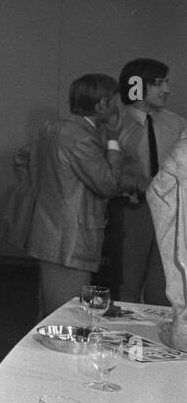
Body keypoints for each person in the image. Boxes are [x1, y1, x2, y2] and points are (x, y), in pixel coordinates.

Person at [9, 74, 134, 318]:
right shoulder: (83, 139)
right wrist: (114, 143)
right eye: (115, 102)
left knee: (51, 310)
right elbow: (108, 185)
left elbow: (21, 160)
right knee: (67, 312)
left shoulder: (52, 129)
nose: (118, 108)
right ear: (102, 105)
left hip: (49, 233)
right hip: (71, 239)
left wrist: (43, 196)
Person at [109, 58, 187, 306]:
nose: (166, 89)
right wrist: (138, 183)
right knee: (126, 284)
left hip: (171, 215)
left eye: (166, 82)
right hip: (132, 211)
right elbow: (105, 173)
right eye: (158, 83)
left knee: (164, 286)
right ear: (136, 86)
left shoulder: (177, 124)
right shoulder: (115, 126)